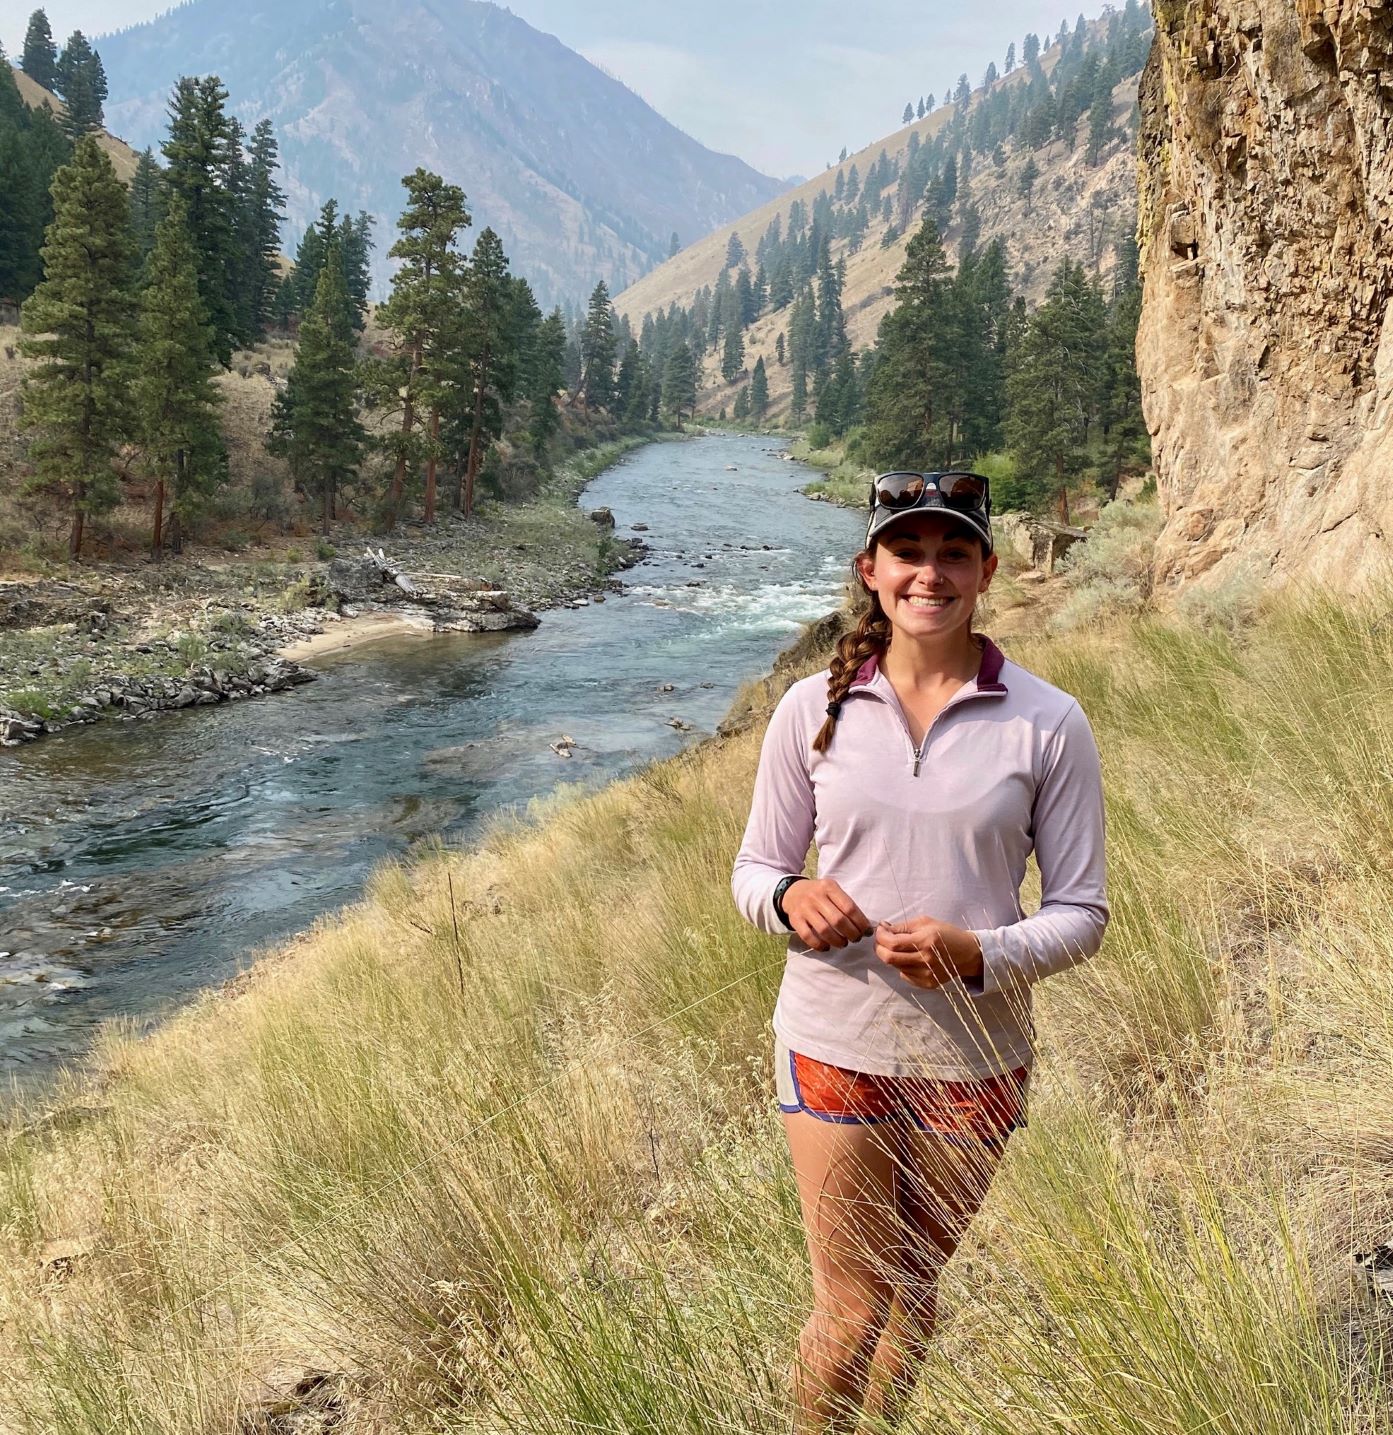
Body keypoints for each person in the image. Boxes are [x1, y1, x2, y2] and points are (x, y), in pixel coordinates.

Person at [731, 470, 1108, 1433]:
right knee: (848, 1304)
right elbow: (753, 872)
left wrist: (976, 952)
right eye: (907, 552)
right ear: (871, 569)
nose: (927, 573)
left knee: (909, 1291)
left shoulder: (1048, 721)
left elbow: (1081, 912)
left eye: (951, 553)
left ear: (985, 568)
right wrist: (790, 897)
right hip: (832, 1036)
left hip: (971, 1055)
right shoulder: (806, 710)